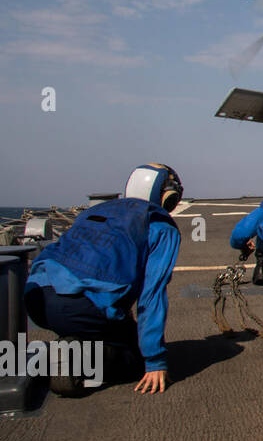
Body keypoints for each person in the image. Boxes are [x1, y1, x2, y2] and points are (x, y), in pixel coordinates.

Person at [24, 163, 182, 396]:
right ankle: (76, 357)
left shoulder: (97, 211)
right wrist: (154, 360)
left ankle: (70, 343)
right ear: (168, 196)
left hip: (36, 297)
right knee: (134, 358)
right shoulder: (160, 227)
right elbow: (153, 293)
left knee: (112, 322)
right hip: (79, 306)